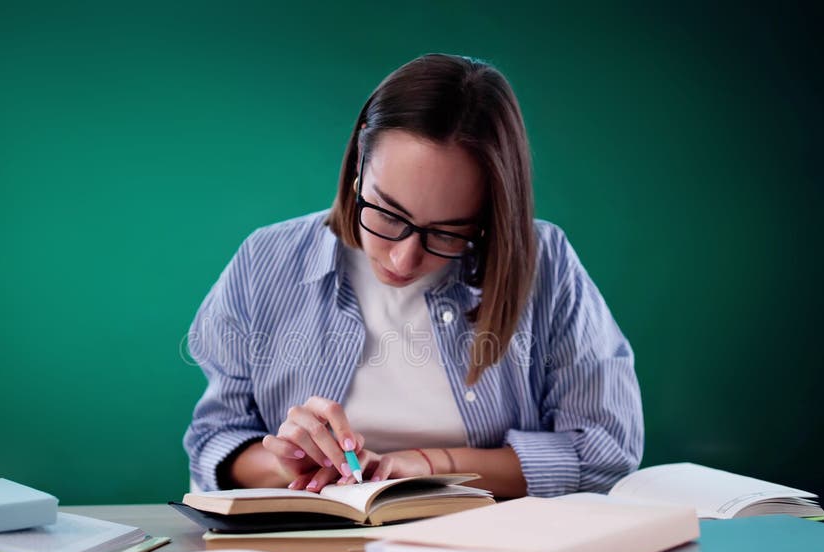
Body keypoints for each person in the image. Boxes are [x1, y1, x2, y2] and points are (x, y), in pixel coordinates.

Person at [183, 53, 643, 499]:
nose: (403, 261)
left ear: (488, 215)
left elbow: (606, 451)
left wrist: (429, 466)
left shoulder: (548, 266)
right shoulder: (268, 260)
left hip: (490, 546)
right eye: (386, 213)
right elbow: (214, 440)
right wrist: (285, 465)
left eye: (448, 232)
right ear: (360, 156)